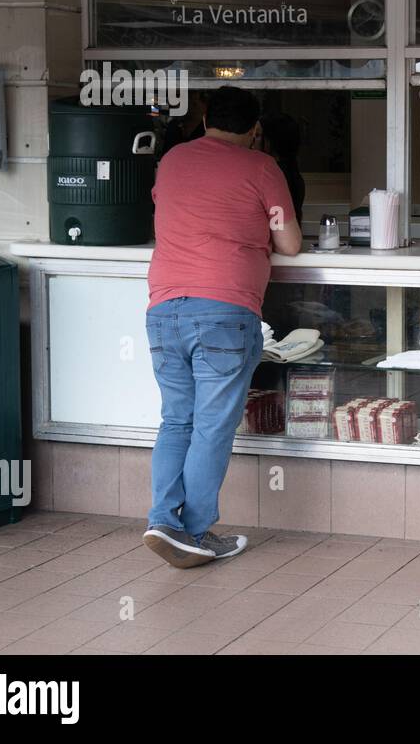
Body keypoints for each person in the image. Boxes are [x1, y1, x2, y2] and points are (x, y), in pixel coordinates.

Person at [142, 85, 302, 568]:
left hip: (164, 309)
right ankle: (194, 532)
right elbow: (290, 243)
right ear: (255, 130)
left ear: (206, 116)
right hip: (225, 310)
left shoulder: (171, 160)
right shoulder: (261, 167)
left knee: (177, 420)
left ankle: (162, 520)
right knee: (211, 426)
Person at [260, 112, 306, 225]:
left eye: (257, 136)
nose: (252, 142)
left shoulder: (274, 175)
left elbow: (277, 222)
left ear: (269, 142)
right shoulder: (292, 173)